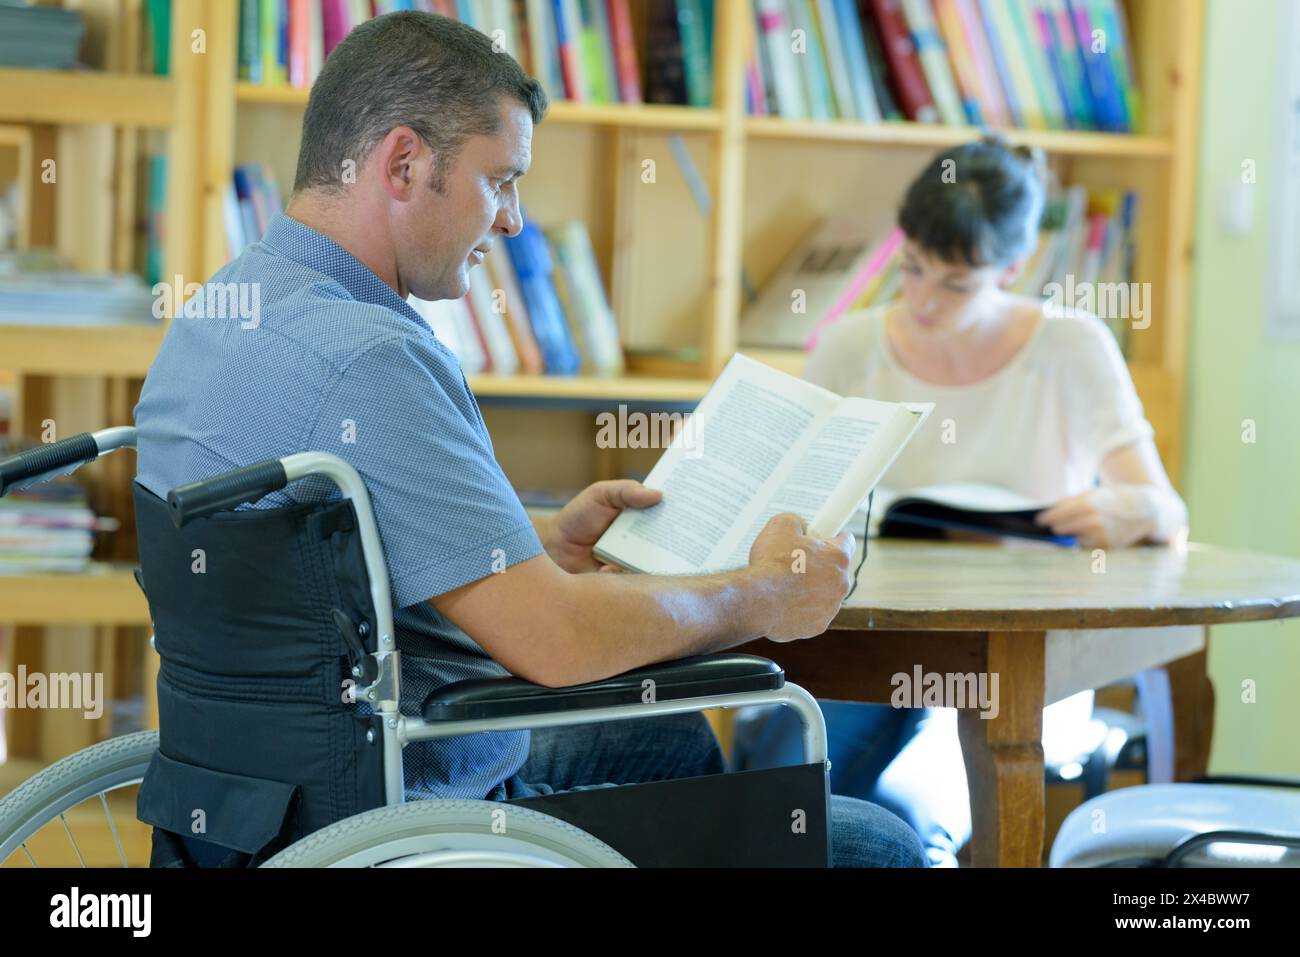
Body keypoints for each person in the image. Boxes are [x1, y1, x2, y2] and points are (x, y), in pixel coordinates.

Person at [132, 11, 923, 868]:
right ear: (403, 163)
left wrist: (534, 543)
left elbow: (317, 552)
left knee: (665, 739)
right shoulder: (375, 357)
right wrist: (762, 595)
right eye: (501, 181)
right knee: (878, 843)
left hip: (256, 802)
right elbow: (556, 642)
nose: (512, 221)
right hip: (405, 813)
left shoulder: (227, 303)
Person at [731, 136, 1188, 866]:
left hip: (1013, 660)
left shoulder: (1070, 347)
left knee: (910, 813)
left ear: (1011, 270)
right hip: (861, 638)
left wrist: (1137, 511)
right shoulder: (851, 346)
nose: (921, 299)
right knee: (786, 794)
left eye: (954, 284)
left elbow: (1166, 512)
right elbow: (781, 507)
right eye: (912, 269)